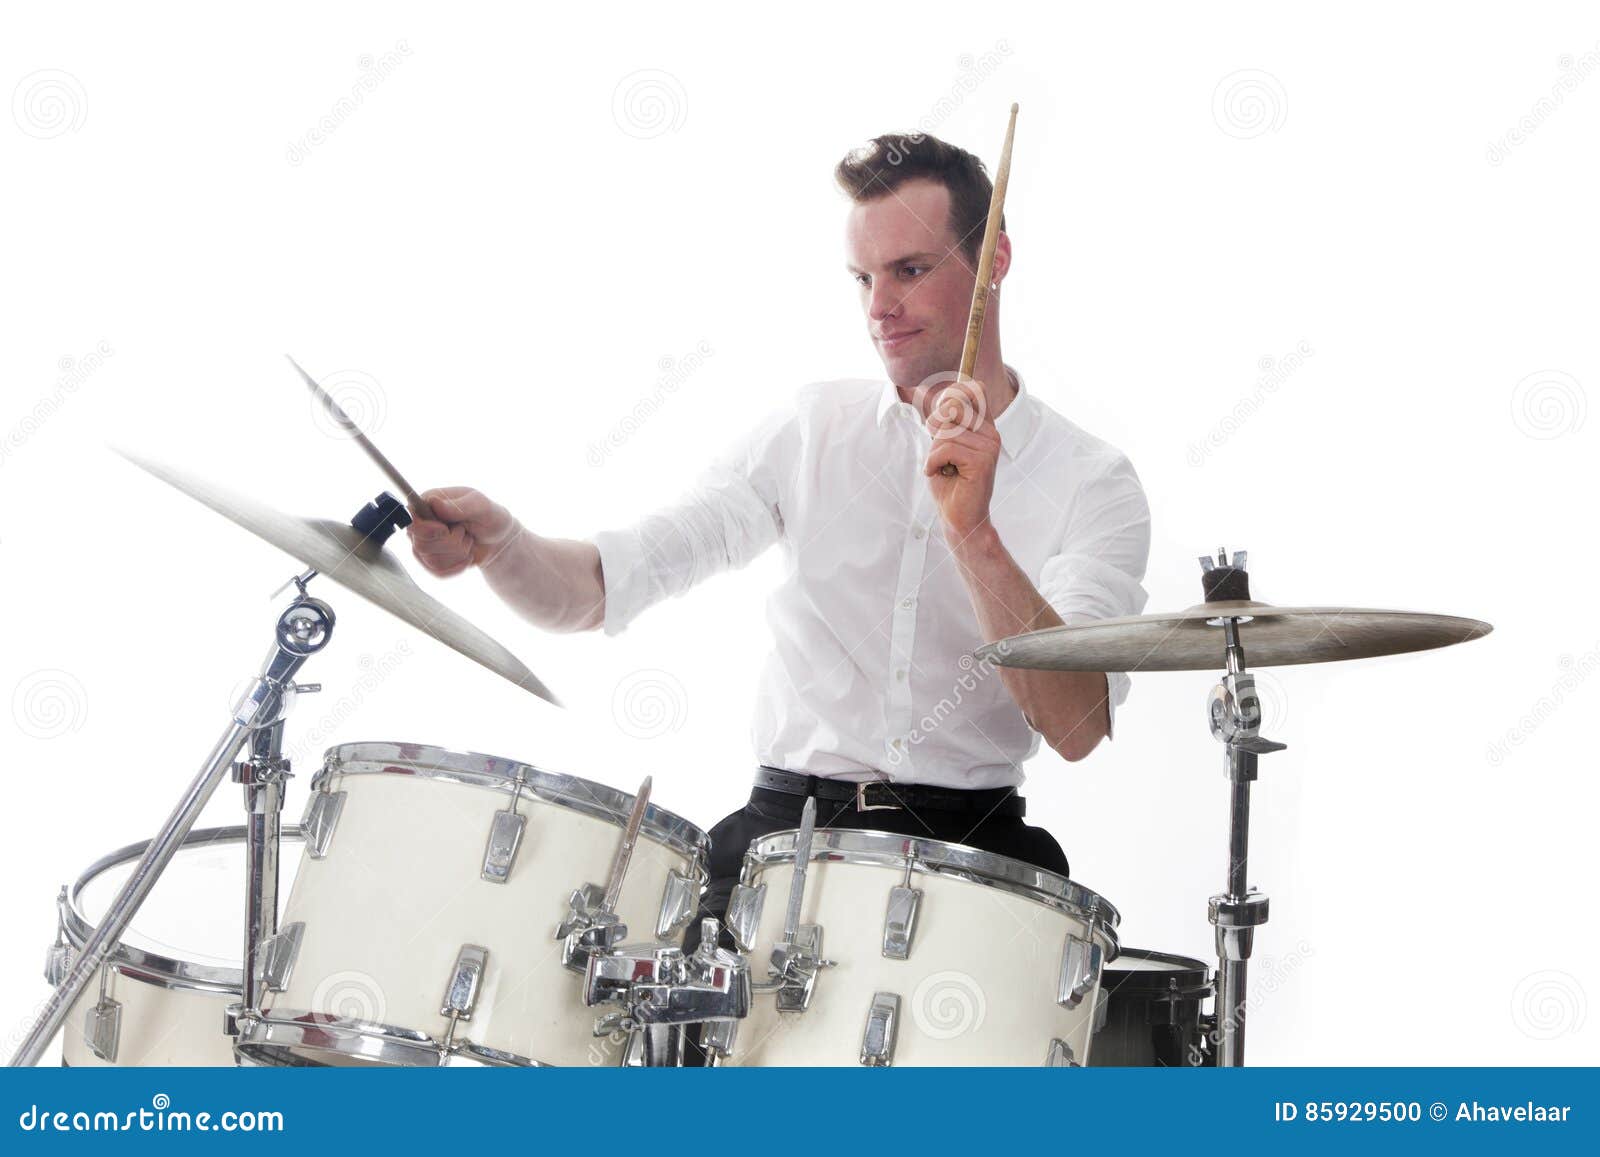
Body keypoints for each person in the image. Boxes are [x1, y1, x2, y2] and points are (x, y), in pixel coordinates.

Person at [405, 130, 1152, 1017]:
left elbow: (1073, 724)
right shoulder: (811, 431)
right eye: (862, 279)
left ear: (994, 259)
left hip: (974, 848)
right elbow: (601, 586)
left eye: (909, 270)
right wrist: (505, 545)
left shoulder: (1091, 480)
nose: (880, 305)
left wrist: (974, 531)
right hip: (780, 842)